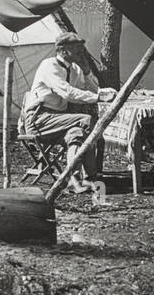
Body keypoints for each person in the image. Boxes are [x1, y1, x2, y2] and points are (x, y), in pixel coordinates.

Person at [20, 33, 116, 192]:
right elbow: (68, 93)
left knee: (77, 133)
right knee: (86, 120)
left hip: (59, 120)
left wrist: (86, 71)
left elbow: (91, 90)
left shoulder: (76, 69)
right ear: (63, 51)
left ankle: (77, 180)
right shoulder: (49, 66)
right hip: (39, 119)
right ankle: (91, 174)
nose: (81, 52)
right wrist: (98, 97)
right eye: (77, 49)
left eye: (81, 48)